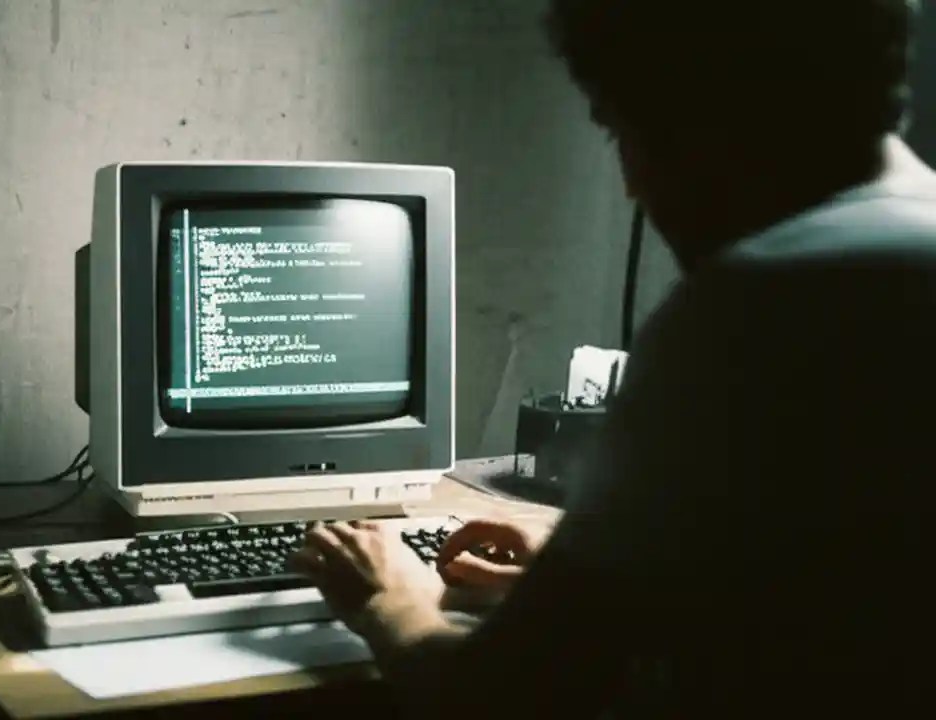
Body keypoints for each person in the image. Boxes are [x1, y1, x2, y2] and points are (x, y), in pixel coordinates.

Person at [291, 1, 934, 717]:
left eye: (621, 129)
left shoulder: (754, 305)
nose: (632, 183)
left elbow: (498, 697)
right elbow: (833, 601)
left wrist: (390, 604)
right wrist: (595, 579)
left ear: (699, 114)